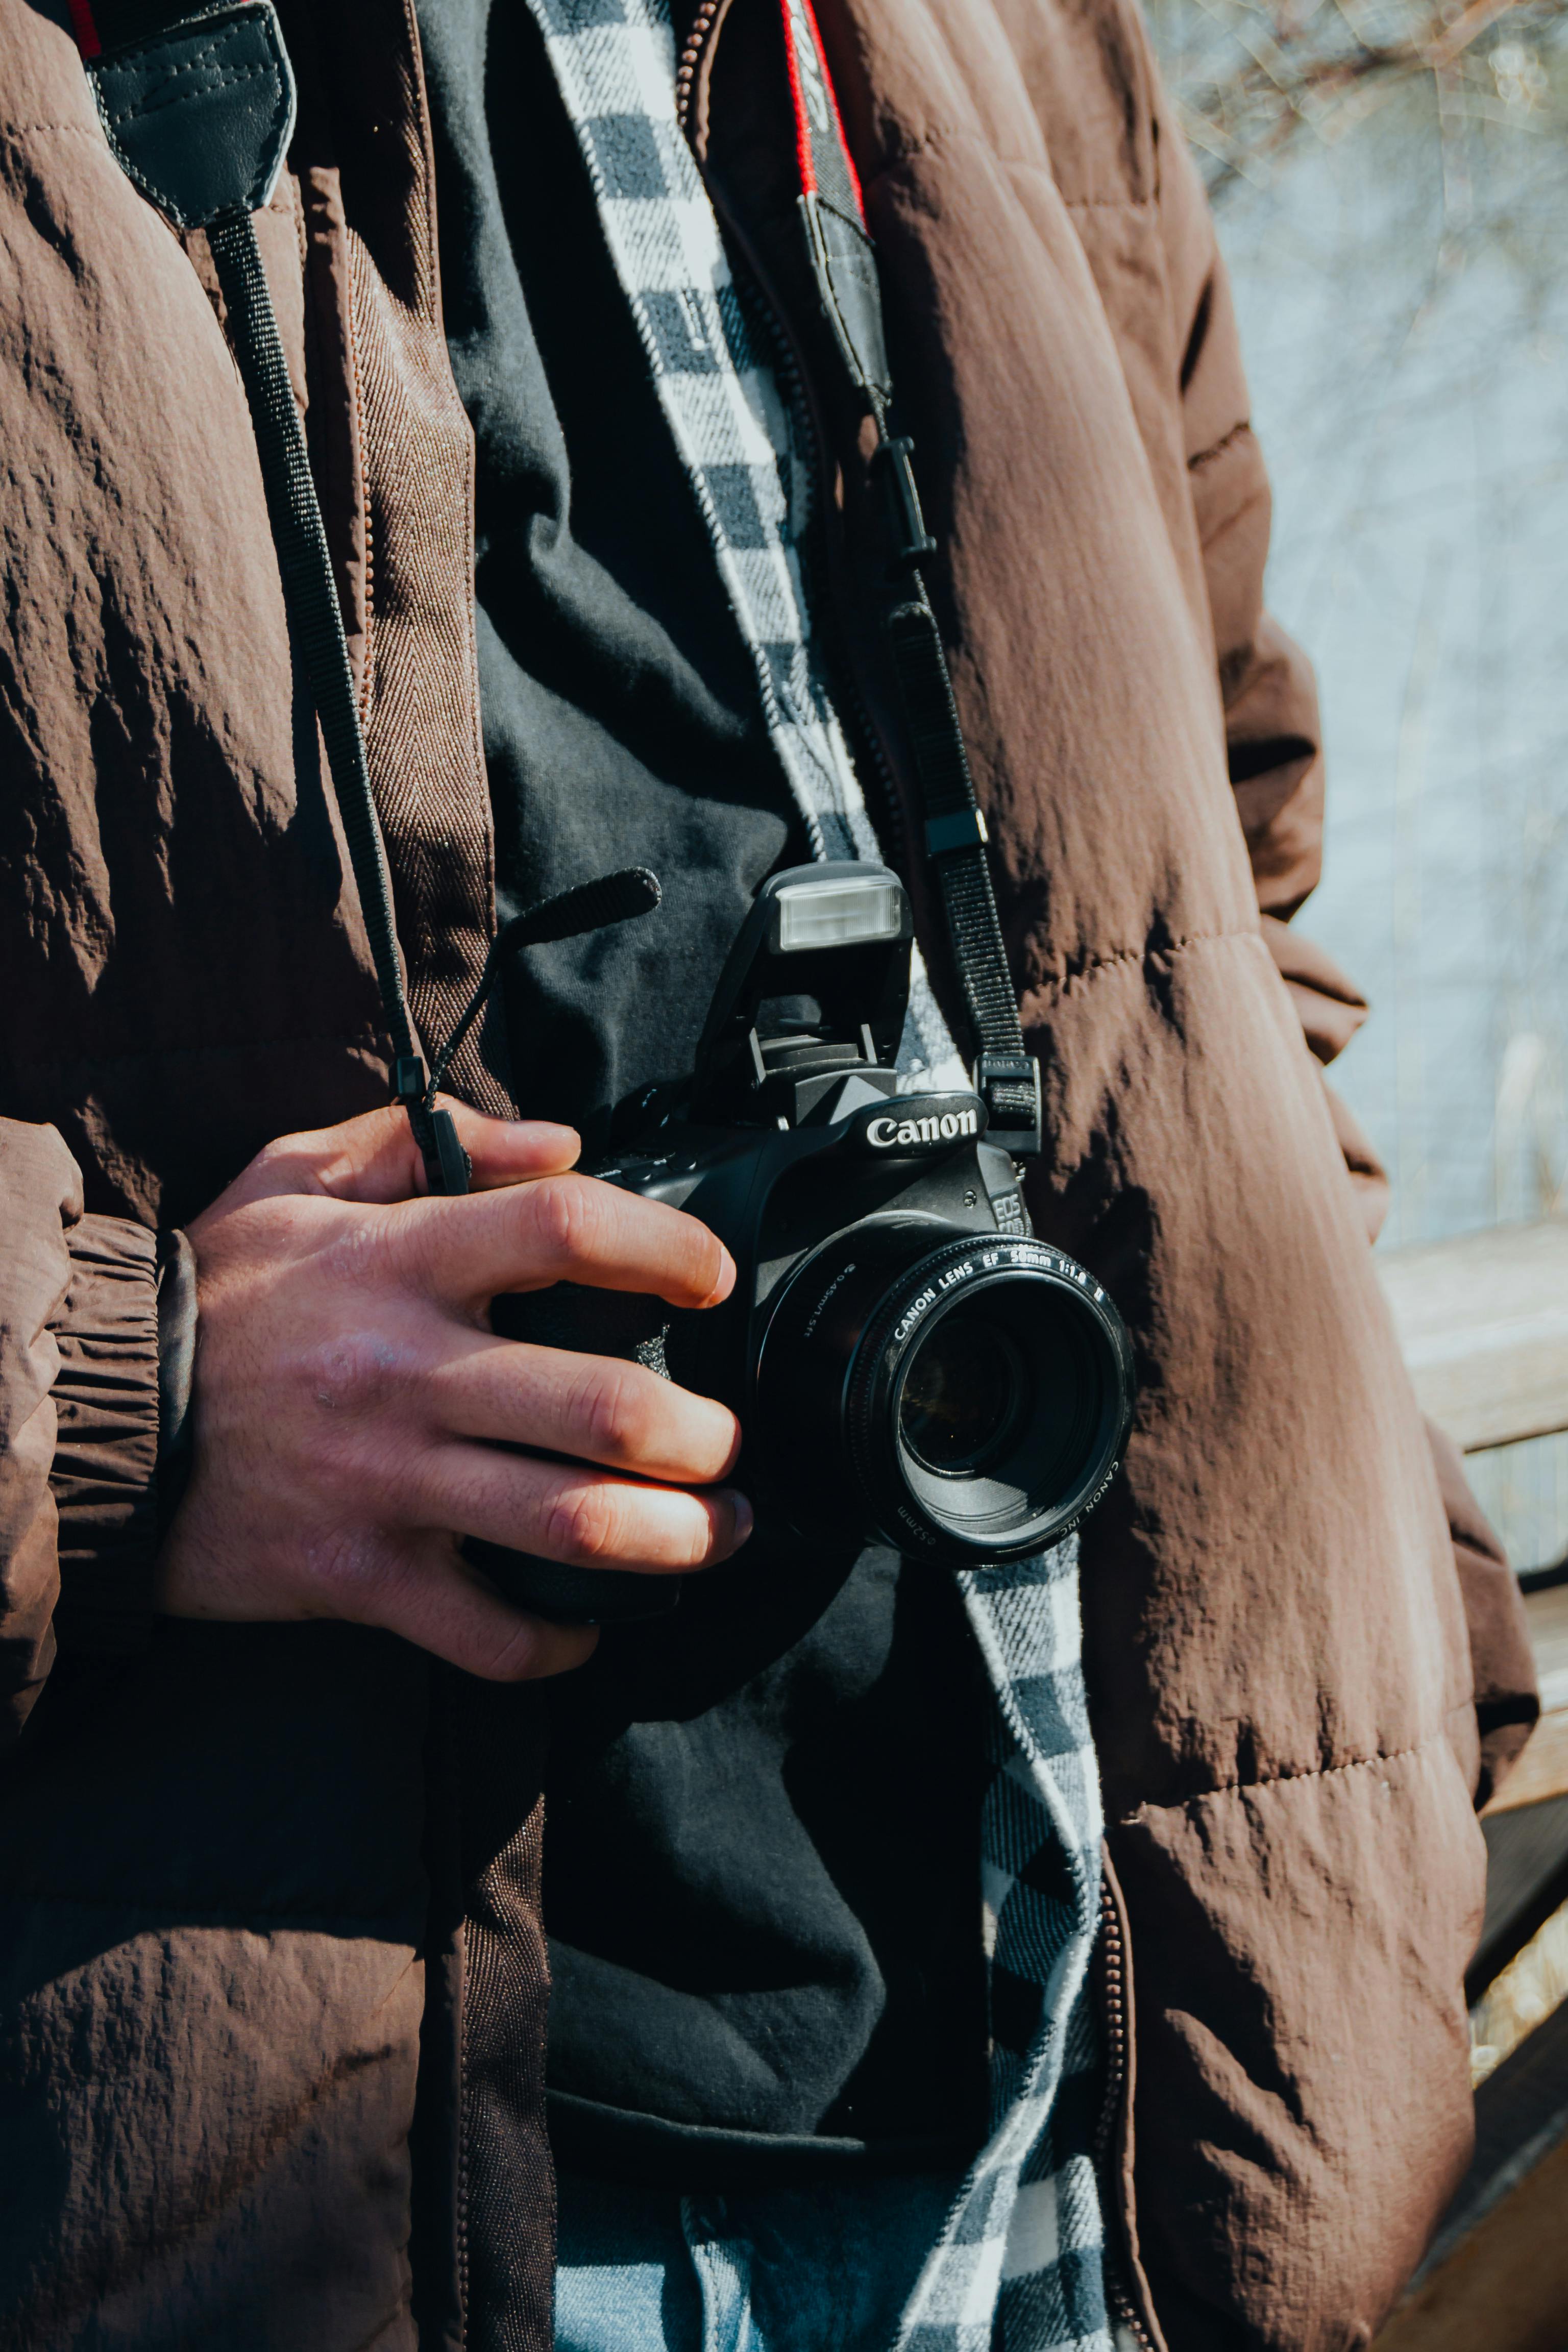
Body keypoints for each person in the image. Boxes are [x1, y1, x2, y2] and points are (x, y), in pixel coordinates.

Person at [0, 0, 1539, 2346]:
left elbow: (1216, 913)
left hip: (1123, 2101)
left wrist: (1392, 1645)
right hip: (321, 2173)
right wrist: (126, 1397)